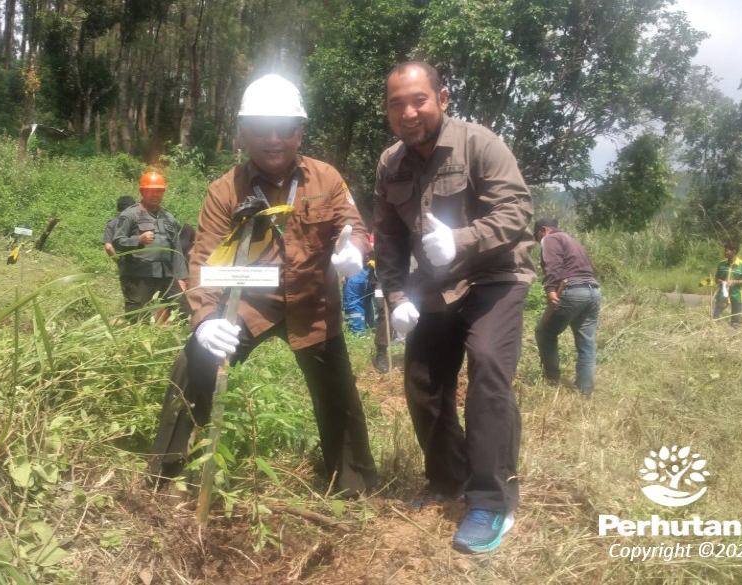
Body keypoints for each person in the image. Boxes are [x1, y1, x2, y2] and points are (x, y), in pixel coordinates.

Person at [148, 73, 378, 497]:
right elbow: (203, 257)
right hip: (248, 305)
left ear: (300, 132)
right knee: (192, 366)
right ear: (243, 133)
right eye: (261, 128)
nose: (274, 138)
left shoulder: (327, 178)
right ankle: (164, 475)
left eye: (285, 128)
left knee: (338, 395)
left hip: (313, 304)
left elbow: (354, 226)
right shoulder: (225, 190)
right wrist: (203, 319)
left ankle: (353, 487)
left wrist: (355, 249)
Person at [373, 61, 535, 554]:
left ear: (442, 98)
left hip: (495, 275)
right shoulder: (390, 164)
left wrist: (463, 240)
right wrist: (397, 296)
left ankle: (490, 500)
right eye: (397, 103)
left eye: (418, 98)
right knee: (422, 380)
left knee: (487, 364)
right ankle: (448, 478)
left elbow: (518, 209)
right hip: (436, 285)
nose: (408, 111)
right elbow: (389, 237)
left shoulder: (478, 143)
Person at [532, 218, 601, 397]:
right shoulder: (571, 239)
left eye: (537, 237)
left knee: (544, 333)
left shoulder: (550, 239)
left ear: (542, 230)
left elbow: (552, 264)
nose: (539, 241)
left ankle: (552, 380)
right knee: (587, 344)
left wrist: (550, 290)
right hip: (593, 292)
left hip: (573, 291)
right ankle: (584, 393)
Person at [111, 172, 189, 320]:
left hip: (166, 275)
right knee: (139, 318)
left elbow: (176, 248)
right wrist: (138, 240)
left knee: (184, 312)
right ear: (142, 192)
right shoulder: (130, 215)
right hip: (140, 275)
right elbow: (117, 241)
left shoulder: (168, 217)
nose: (156, 195)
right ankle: (136, 343)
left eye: (159, 191)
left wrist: (182, 277)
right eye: (151, 191)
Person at [712, 242, 742, 329]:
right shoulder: (721, 264)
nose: (724, 253)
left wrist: (734, 282)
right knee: (716, 318)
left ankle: (734, 338)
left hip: (736, 295)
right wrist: (722, 282)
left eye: (726, 251)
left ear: (733, 252)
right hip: (722, 294)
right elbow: (716, 279)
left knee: (735, 322)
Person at [103, 195, 137, 261]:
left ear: (118, 208)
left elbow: (108, 247)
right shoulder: (140, 222)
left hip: (124, 259)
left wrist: (118, 262)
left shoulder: (111, 223)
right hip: (141, 259)